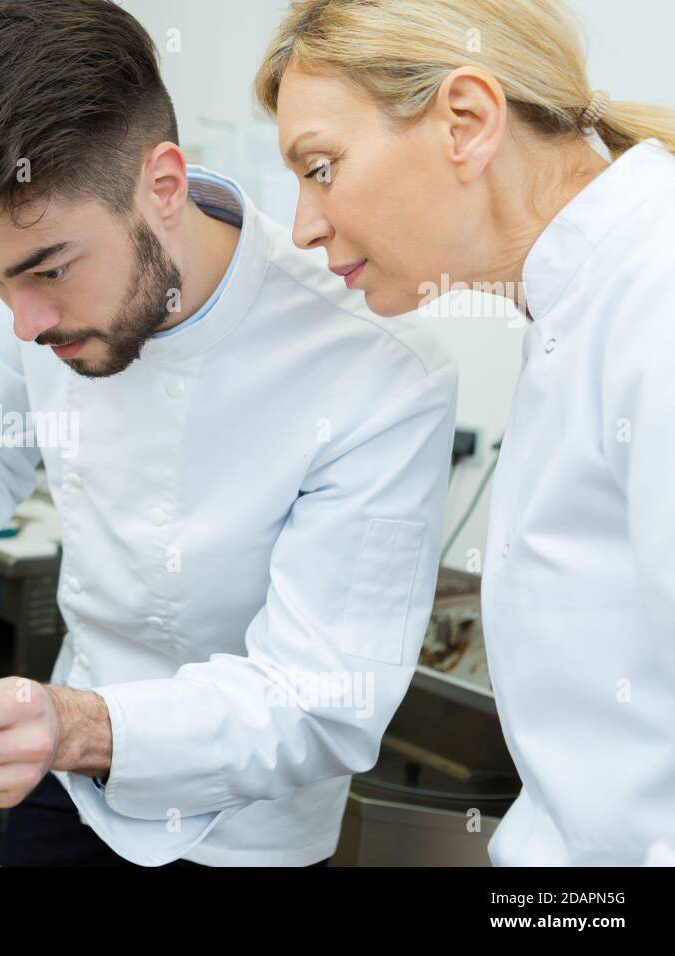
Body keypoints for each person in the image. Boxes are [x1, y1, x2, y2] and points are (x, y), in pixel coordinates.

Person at [0, 0, 458, 866]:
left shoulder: (379, 369)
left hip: (244, 823)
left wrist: (73, 727)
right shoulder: (25, 292)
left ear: (163, 186)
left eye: (49, 269)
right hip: (68, 780)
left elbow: (317, 698)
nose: (23, 322)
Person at [256, 0, 675, 865]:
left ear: (468, 123)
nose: (305, 227)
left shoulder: (654, 294)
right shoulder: (579, 302)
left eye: (322, 167)